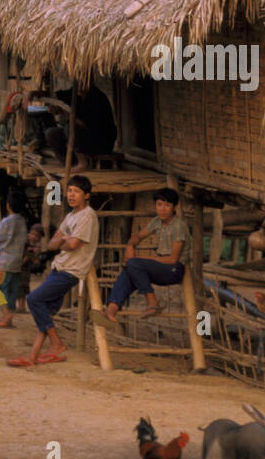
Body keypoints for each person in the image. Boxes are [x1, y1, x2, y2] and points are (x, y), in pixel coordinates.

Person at [12, 175, 97, 367]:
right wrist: (63, 241)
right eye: (69, 191)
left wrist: (63, 241)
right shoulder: (70, 216)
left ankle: (57, 343)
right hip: (60, 266)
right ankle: (33, 356)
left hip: (70, 270)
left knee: (34, 300)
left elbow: (73, 244)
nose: (71, 195)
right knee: (46, 314)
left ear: (87, 196)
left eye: (76, 191)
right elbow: (51, 245)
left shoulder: (88, 216)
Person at [94, 187, 188, 328]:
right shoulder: (157, 221)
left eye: (167, 205)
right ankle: (111, 310)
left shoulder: (179, 226)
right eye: (159, 204)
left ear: (174, 207)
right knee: (128, 272)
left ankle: (152, 302)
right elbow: (138, 236)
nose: (162, 209)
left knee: (133, 264)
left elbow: (173, 259)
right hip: (160, 269)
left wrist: (140, 260)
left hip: (174, 270)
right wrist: (130, 246)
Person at [0, 188, 29, 328]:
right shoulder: (22, 221)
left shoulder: (7, 221)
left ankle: (6, 313)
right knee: (11, 290)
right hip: (16, 263)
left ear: (8, 205)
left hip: (3, 263)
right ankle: (7, 318)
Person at [43, 84, 116, 172]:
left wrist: (69, 115)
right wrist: (54, 106)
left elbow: (90, 126)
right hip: (81, 139)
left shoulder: (98, 98)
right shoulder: (74, 93)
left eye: (83, 83)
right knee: (51, 133)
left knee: (70, 128)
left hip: (99, 141)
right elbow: (55, 96)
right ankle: (68, 162)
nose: (80, 87)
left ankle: (82, 162)